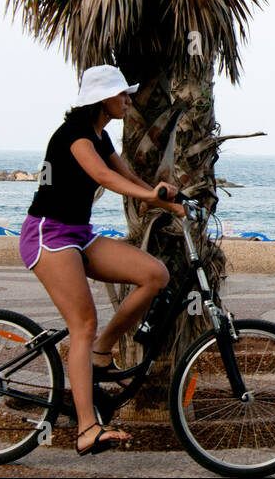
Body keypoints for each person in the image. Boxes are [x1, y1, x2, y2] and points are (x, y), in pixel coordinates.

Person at [19, 65, 183, 456]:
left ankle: (102, 350)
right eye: (123, 95)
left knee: (153, 274)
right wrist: (150, 198)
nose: (129, 101)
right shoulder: (73, 136)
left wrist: (164, 199)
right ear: (101, 99)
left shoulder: (101, 135)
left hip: (78, 234)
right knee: (83, 323)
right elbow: (104, 178)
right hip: (48, 234)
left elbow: (126, 175)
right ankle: (87, 428)